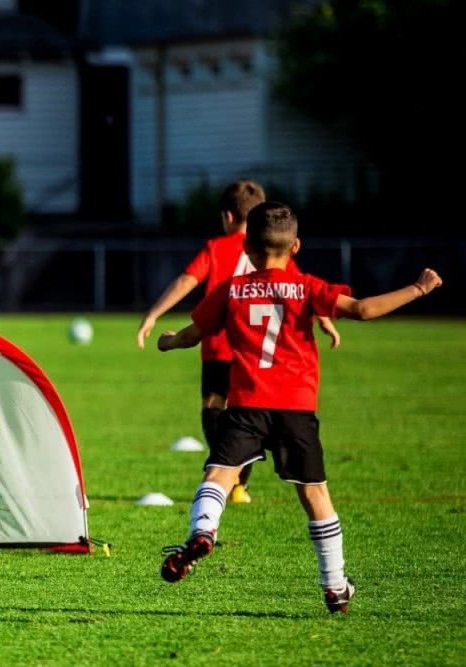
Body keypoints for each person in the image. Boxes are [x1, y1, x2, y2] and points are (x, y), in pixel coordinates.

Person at [155, 202, 443, 612]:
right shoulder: (307, 287)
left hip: (247, 404)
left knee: (219, 474)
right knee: (314, 494)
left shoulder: (231, 290)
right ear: (295, 247)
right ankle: (335, 585)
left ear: (247, 248)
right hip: (295, 408)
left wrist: (168, 341)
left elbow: (192, 334)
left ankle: (203, 532)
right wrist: (418, 288)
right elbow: (362, 309)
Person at [136, 179, 340, 505]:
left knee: (214, 410)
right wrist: (325, 320)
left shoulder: (217, 248)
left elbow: (187, 280)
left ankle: (226, 473)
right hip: (260, 353)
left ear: (228, 216)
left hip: (219, 347)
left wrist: (154, 313)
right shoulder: (277, 245)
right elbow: (299, 289)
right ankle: (239, 483)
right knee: (246, 415)